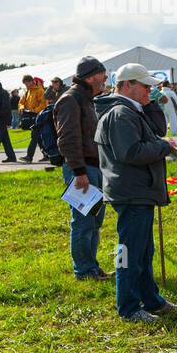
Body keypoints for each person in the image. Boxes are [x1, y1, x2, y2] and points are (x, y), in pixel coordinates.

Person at [95, 63, 177, 322]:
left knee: (143, 251)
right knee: (130, 253)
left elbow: (151, 135)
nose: (149, 91)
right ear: (127, 85)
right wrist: (163, 147)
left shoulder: (130, 111)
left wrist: (159, 142)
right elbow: (130, 153)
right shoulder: (122, 114)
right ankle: (129, 307)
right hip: (132, 193)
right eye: (144, 86)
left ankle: (151, 299)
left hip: (137, 192)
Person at [53, 56, 110, 281]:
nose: (105, 78)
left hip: (92, 167)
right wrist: (79, 172)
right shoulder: (71, 99)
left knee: (94, 221)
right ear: (90, 76)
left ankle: (92, 267)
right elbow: (67, 138)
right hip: (81, 169)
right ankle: (84, 271)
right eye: (102, 74)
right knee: (84, 221)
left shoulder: (88, 99)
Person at [19, 75, 47, 162]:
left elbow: (43, 104)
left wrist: (34, 111)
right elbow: (21, 102)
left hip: (39, 117)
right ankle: (47, 154)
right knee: (38, 137)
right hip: (31, 117)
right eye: (25, 84)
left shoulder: (40, 91)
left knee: (34, 136)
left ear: (31, 81)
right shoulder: (28, 92)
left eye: (27, 84)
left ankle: (29, 156)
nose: (26, 86)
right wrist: (22, 107)